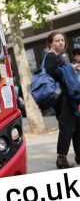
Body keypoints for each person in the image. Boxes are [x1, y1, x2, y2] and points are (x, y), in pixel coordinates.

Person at [44, 32, 80, 168]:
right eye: (57, 40)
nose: (60, 43)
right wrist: (68, 70)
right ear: (50, 43)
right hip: (63, 98)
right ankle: (61, 159)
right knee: (67, 127)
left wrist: (71, 68)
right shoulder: (51, 56)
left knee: (77, 126)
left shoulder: (59, 57)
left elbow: (62, 71)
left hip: (69, 97)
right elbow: (52, 72)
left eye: (62, 40)